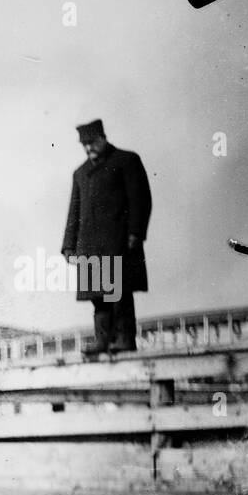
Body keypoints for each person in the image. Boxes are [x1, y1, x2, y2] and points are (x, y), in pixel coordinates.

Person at [61, 119, 152, 355]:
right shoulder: (80, 173)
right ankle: (103, 340)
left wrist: (135, 233)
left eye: (91, 143)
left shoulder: (126, 161)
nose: (88, 148)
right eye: (84, 145)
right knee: (97, 297)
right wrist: (68, 247)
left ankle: (124, 339)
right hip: (89, 246)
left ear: (102, 137)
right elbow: (74, 211)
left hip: (118, 242)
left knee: (119, 292)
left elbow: (140, 200)